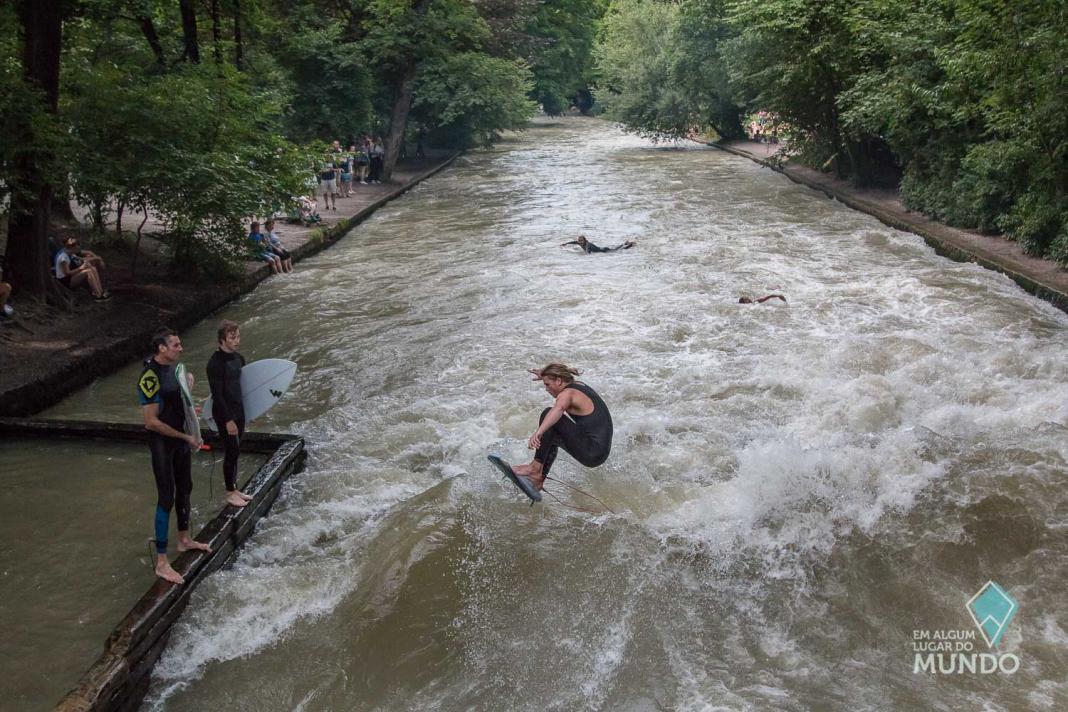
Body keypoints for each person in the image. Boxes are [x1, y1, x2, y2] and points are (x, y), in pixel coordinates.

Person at [139, 328, 211, 584]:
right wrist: (184, 437)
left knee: (186, 488)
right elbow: (150, 422)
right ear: (162, 348)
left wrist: (189, 399)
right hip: (163, 442)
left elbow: (178, 401)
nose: (181, 348)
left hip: (181, 438)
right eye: (176, 345)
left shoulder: (174, 368)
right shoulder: (150, 376)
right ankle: (161, 562)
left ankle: (183, 540)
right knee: (166, 496)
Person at [512, 363, 614, 491]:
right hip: (598, 452)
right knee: (553, 433)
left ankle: (534, 469)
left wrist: (539, 432)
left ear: (559, 381)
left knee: (548, 415)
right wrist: (545, 373)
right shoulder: (578, 385)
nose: (546, 389)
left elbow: (558, 409)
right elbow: (558, 371)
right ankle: (538, 479)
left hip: (592, 451)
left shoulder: (568, 393)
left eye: (547, 384)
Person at [206, 320, 253, 508]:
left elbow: (244, 388)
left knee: (237, 450)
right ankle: (229, 492)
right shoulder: (214, 364)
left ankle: (234, 488)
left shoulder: (239, 359)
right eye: (233, 338)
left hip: (239, 410)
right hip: (224, 414)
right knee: (231, 451)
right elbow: (217, 395)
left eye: (238, 336)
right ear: (222, 340)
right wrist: (228, 420)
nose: (237, 341)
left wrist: (250, 411)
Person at [561, 235, 636, 254]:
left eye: (581, 241)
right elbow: (573, 242)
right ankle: (625, 243)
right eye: (579, 241)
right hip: (602, 248)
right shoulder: (579, 242)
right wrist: (566, 243)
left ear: (585, 240)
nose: (580, 242)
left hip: (603, 250)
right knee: (616, 249)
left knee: (617, 250)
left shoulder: (587, 244)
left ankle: (630, 245)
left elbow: (588, 252)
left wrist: (585, 255)